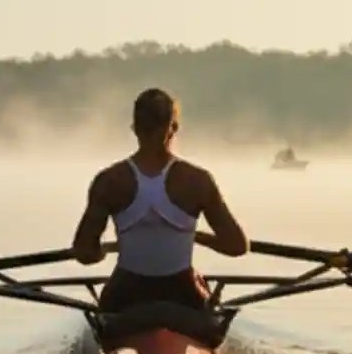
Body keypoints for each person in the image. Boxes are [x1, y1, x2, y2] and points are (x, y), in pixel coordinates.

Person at [71, 88, 249, 313]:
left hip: (125, 295)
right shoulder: (198, 181)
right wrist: (192, 237)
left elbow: (84, 253)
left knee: (110, 296)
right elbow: (237, 246)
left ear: (134, 128)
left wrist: (104, 250)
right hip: (183, 296)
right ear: (173, 128)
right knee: (203, 292)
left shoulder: (109, 181)